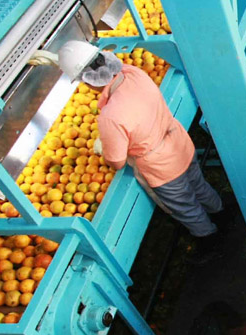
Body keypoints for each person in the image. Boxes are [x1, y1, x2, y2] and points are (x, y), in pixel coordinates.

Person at [47, 41, 225, 247]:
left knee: (185, 205)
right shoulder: (134, 73)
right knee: (199, 184)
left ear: (87, 81)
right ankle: (221, 212)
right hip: (179, 143)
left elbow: (117, 161)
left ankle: (209, 238)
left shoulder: (110, 116)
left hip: (163, 168)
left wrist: (104, 146)